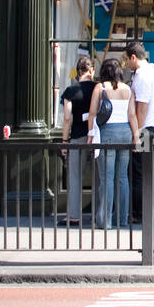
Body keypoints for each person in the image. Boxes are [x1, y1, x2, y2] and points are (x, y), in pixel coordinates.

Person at [89, 58, 139, 229]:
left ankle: (105, 220)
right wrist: (136, 137)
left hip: (107, 133)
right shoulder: (127, 89)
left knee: (107, 178)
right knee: (122, 177)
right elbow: (132, 116)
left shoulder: (100, 88)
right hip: (125, 132)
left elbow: (92, 114)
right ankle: (122, 218)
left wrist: (90, 135)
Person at [126, 41, 154, 223]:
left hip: (145, 130)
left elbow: (142, 108)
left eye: (126, 59)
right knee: (153, 170)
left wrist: (137, 135)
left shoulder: (141, 76)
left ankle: (141, 213)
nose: (125, 63)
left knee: (140, 172)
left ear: (133, 57)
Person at [59, 57, 97, 226]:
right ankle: (99, 214)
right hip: (97, 137)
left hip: (77, 136)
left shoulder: (71, 90)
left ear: (78, 71)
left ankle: (74, 216)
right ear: (91, 70)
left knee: (75, 176)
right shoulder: (99, 88)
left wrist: (65, 141)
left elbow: (67, 118)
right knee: (100, 177)